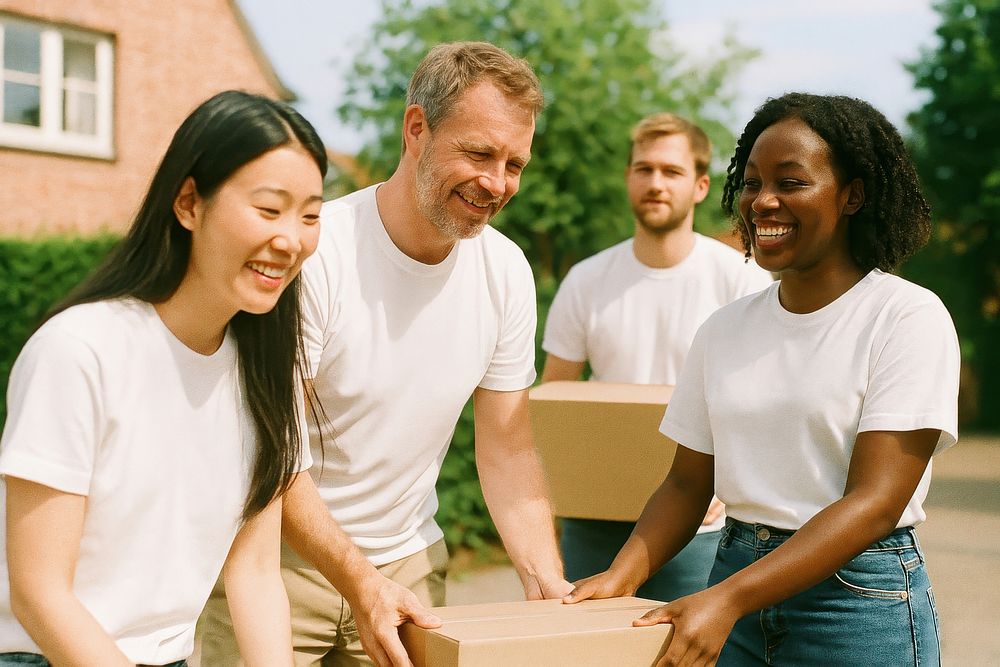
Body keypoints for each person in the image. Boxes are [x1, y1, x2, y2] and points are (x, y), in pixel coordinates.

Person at [198, 41, 571, 667]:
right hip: (276, 566)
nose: (497, 183)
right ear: (417, 129)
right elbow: (273, 451)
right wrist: (358, 582)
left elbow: (507, 446)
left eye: (515, 164)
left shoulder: (505, 271)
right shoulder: (317, 256)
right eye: (479, 153)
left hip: (410, 566)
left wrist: (544, 578)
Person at [566, 92, 960, 666]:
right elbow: (685, 484)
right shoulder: (725, 329)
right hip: (735, 579)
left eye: (791, 182)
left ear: (853, 195)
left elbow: (876, 501)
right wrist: (621, 576)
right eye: (751, 183)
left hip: (854, 605)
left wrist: (724, 600)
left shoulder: (905, 317)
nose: (763, 202)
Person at [0, 90, 327, 666]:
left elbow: (254, 573)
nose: (291, 240)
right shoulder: (80, 350)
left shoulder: (267, 370)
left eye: (310, 216)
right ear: (188, 204)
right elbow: (39, 593)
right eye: (269, 210)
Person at [541, 112, 772, 603]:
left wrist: (727, 484)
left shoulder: (739, 280)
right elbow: (552, 400)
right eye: (644, 169)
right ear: (628, 177)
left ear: (702, 185)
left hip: (701, 526)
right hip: (595, 522)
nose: (655, 183)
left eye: (672, 171)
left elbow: (763, 403)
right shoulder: (587, 279)